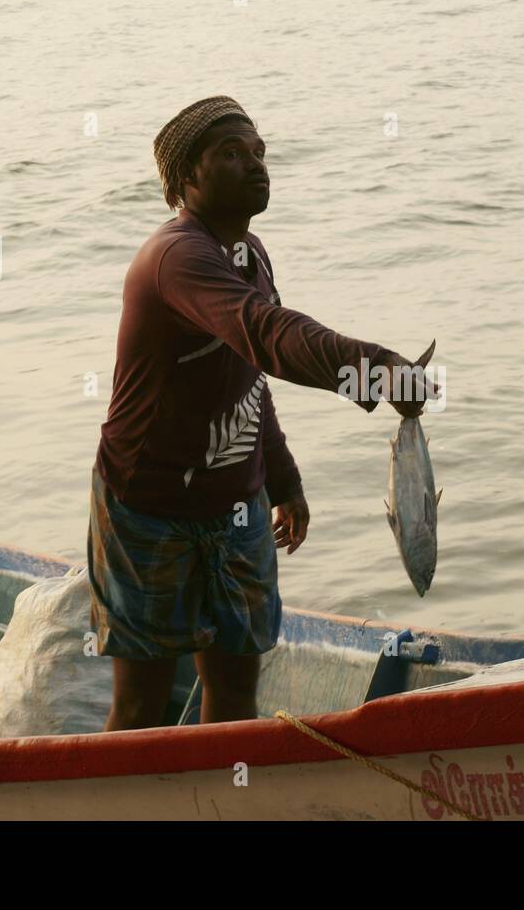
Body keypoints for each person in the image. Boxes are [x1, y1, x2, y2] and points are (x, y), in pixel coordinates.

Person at [88, 96, 433, 730]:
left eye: (259, 153)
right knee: (140, 702)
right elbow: (268, 333)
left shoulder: (250, 253)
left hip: (235, 506)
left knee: (237, 690)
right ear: (187, 177)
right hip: (149, 507)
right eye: (232, 154)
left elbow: (247, 371)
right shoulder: (176, 258)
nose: (256, 165)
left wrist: (283, 481)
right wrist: (377, 367)